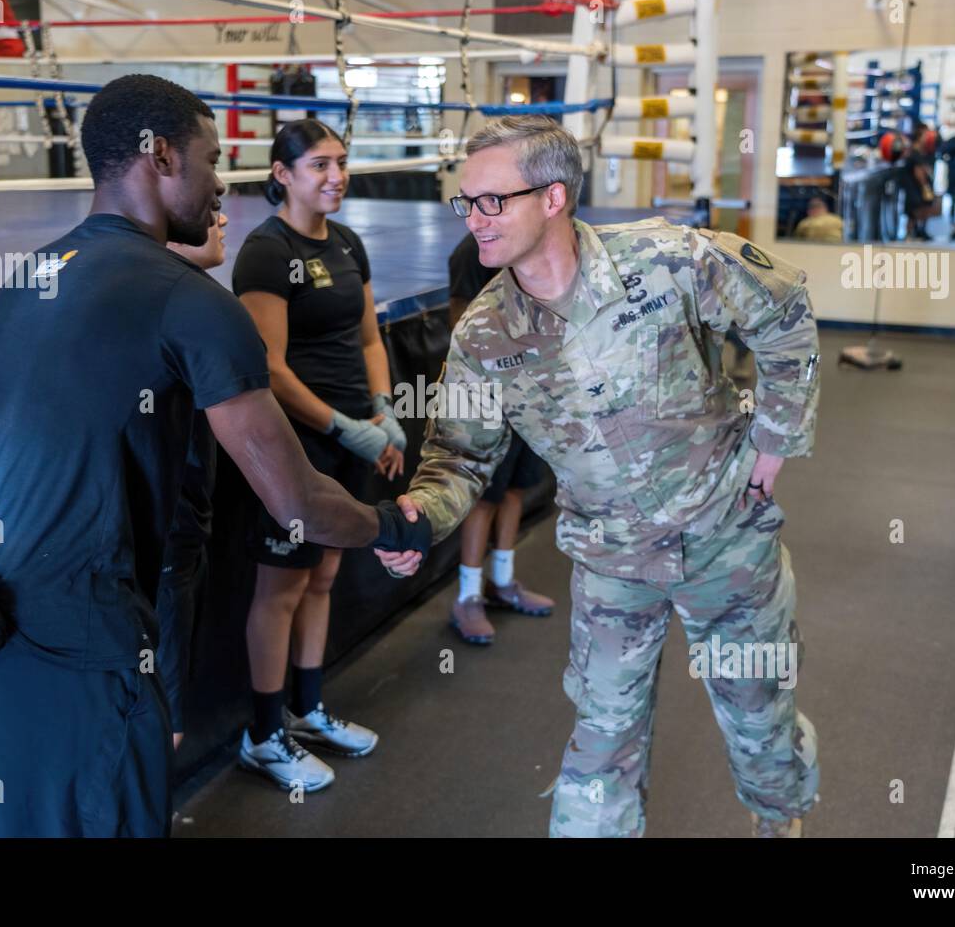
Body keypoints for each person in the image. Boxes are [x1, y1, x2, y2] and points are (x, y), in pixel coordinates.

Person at [0, 76, 428, 837]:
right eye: (212, 158)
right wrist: (395, 528)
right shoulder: (194, 302)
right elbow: (296, 503)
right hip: (90, 658)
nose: (221, 180)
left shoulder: (18, 288)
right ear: (160, 155)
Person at [378, 115, 821, 838]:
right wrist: (420, 516)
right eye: (467, 202)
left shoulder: (664, 259)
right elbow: (459, 454)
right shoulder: (486, 333)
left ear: (553, 197)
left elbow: (783, 311)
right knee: (600, 745)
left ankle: (780, 821)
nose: (475, 221)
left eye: (494, 201)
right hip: (612, 563)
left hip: (725, 542)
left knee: (761, 728)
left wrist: (776, 437)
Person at [231, 119, 405, 792]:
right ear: (282, 174)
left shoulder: (350, 242)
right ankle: (263, 733)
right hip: (297, 443)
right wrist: (339, 425)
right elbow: (269, 368)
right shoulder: (265, 253)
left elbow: (368, 338)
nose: (335, 176)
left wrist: (383, 411)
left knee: (325, 578)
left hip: (350, 434)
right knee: (282, 588)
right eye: (318, 166)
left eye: (341, 162)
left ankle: (307, 709)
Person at [445, 231, 555, 645]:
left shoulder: (532, 245)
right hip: (488, 396)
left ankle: (503, 581)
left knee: (515, 488)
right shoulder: (470, 252)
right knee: (487, 495)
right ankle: (468, 595)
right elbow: (460, 326)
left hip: (531, 389)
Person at [156, 211, 228, 752]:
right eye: (209, 202)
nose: (222, 215)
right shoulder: (178, 308)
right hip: (159, 545)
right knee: (161, 721)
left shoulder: (194, 301)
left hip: (180, 534)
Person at [902, 122, 938, 241]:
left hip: (916, 187)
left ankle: (917, 232)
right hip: (915, 188)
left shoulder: (922, 152)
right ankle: (909, 234)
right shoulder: (915, 153)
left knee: (918, 210)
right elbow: (919, 172)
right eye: (925, 136)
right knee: (915, 211)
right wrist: (925, 187)